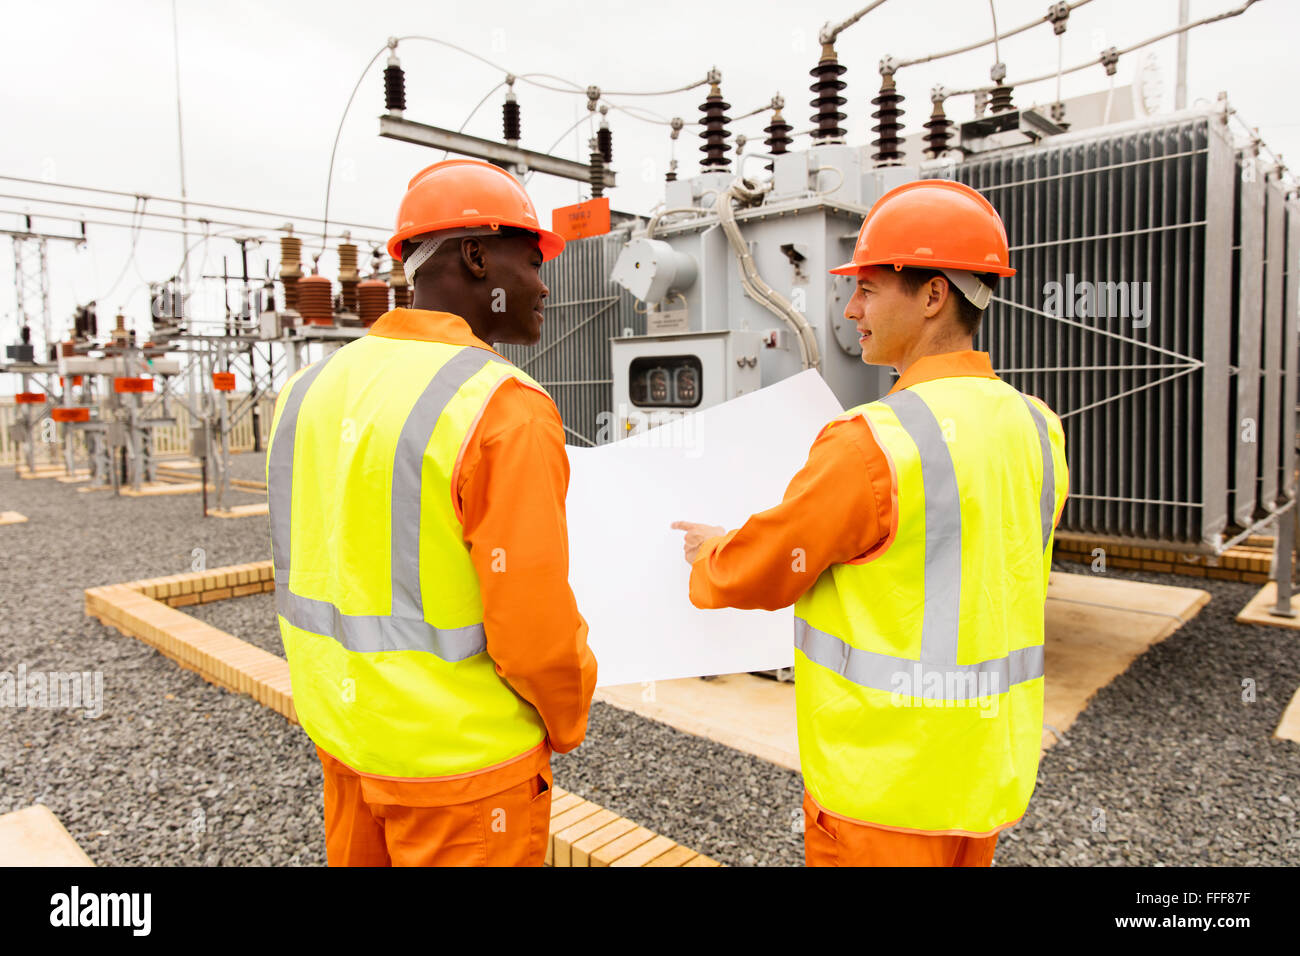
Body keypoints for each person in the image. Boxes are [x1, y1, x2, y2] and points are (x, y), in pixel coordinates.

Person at [673, 179, 1068, 867]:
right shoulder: (1038, 427)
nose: (850, 309)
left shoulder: (871, 442)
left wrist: (712, 555)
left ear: (934, 295)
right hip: (981, 782)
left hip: (883, 795)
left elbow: (769, 564)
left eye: (869, 288)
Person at [267, 158, 597, 866]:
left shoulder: (305, 391)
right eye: (533, 260)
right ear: (475, 255)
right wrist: (569, 717)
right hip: (462, 777)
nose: (543, 286)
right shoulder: (502, 407)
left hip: (349, 745)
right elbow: (532, 628)